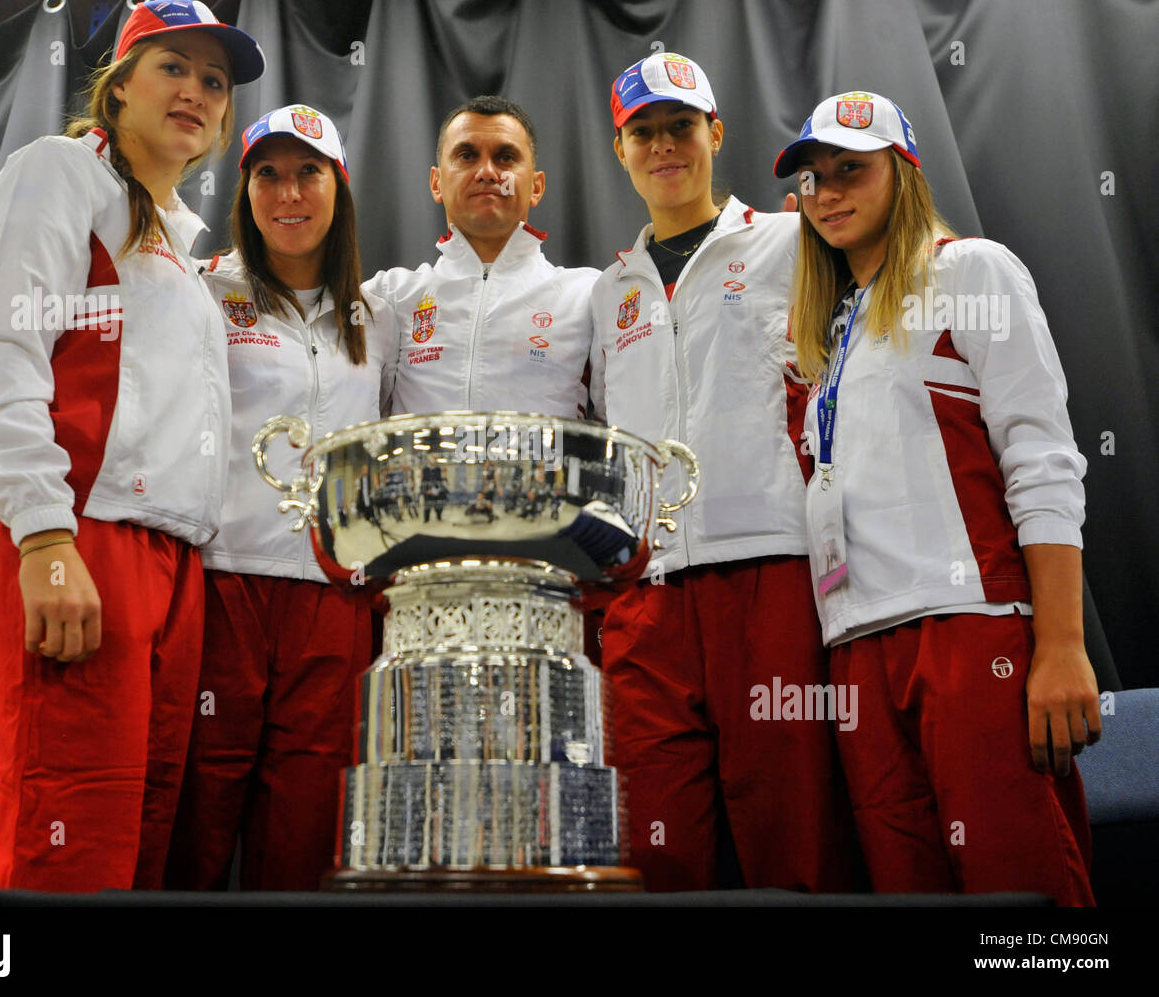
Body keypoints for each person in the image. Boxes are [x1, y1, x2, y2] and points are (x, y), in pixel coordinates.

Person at [0, 0, 263, 892]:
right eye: (173, 68)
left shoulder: (177, 245)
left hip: (173, 564)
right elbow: (2, 360)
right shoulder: (60, 173)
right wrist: (45, 537)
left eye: (214, 82)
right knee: (72, 845)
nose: (197, 93)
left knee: (136, 843)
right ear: (119, 85)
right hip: (81, 536)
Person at [775, 90, 1099, 905]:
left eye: (853, 168)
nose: (829, 192)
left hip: (969, 633)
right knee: (907, 891)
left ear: (905, 171)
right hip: (854, 647)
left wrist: (1061, 645)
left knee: (1021, 899)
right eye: (812, 179)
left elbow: (1043, 457)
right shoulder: (825, 333)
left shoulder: (971, 270)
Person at [587, 53, 859, 892]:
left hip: (768, 576)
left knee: (792, 831)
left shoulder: (793, 238)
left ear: (716, 132)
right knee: (653, 847)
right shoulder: (609, 291)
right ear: (621, 150)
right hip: (649, 595)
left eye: (680, 126)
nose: (664, 145)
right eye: (644, 132)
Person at [163, 105, 396, 891]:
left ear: (340, 187)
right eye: (268, 172)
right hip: (222, 586)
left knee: (304, 841)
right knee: (194, 823)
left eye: (308, 172)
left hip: (335, 600)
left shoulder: (375, 315)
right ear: (244, 188)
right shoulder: (200, 291)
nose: (288, 192)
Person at [374, 95, 598, 418]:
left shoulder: (588, 295)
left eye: (506, 157)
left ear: (537, 187)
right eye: (466, 156)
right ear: (436, 183)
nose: (487, 172)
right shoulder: (389, 297)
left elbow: (619, 429)